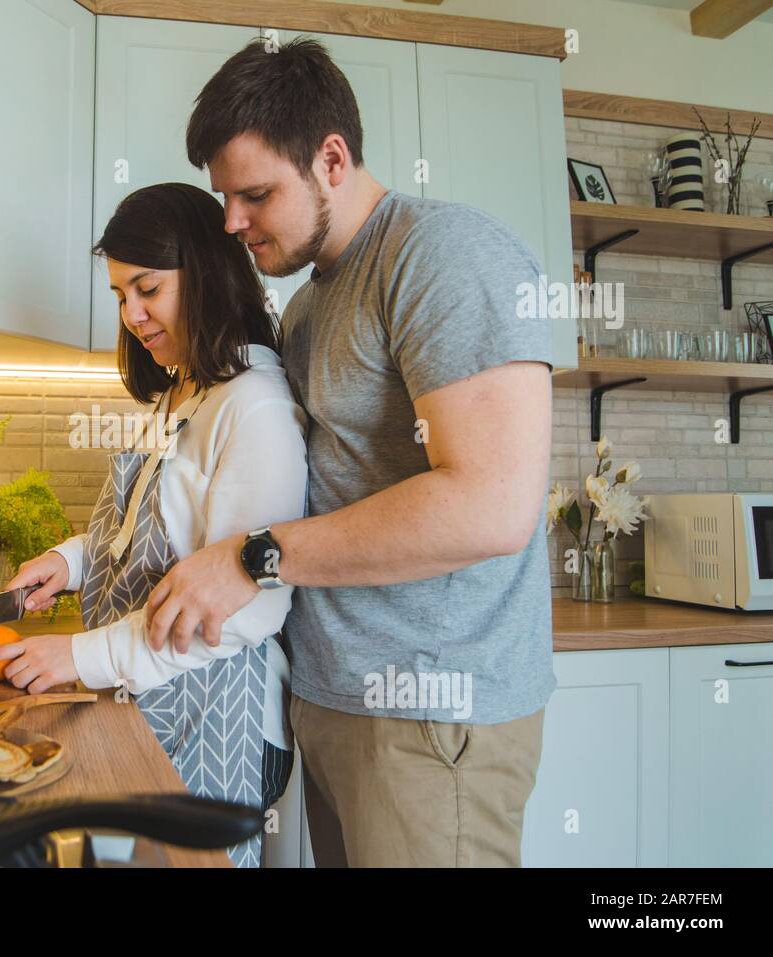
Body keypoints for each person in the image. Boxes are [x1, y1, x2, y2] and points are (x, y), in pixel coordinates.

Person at [142, 38, 556, 867]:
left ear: (332, 159)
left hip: (432, 717)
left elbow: (493, 504)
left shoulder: (443, 257)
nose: (231, 221)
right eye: (224, 196)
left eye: (254, 194)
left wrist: (253, 558)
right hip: (332, 700)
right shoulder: (307, 310)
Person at [0, 182, 307, 867]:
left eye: (147, 289)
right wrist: (68, 562)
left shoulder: (254, 406)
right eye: (120, 295)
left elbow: (249, 604)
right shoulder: (183, 392)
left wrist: (80, 656)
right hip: (153, 703)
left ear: (207, 274)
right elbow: (147, 529)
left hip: (218, 720)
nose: (131, 314)